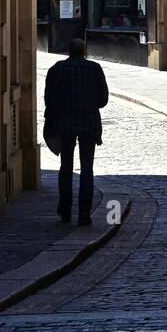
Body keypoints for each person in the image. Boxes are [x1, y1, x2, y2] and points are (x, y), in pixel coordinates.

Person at [44, 39, 109, 225]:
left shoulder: (57, 69)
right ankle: (84, 213)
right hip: (89, 124)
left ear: (68, 52)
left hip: (64, 125)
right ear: (84, 51)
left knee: (66, 167)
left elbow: (49, 98)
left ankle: (65, 211)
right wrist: (89, 104)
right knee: (87, 169)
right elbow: (103, 99)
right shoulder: (95, 69)